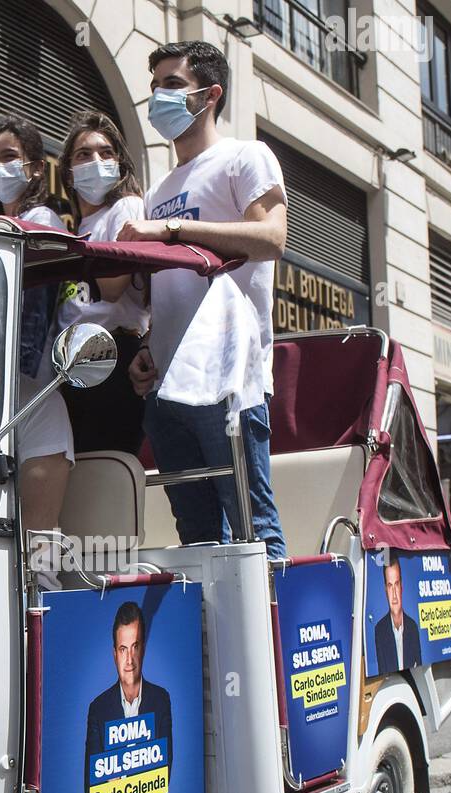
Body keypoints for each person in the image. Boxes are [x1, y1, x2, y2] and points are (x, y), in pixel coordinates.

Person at [119, 40, 287, 560]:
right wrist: (147, 345)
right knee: (197, 539)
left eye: (171, 85)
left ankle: (272, 640)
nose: (157, 99)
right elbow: (165, 290)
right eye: (154, 88)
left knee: (252, 531)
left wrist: (171, 229)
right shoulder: (159, 187)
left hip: (229, 383)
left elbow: (272, 238)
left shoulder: (245, 156)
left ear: (210, 94)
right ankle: (219, 642)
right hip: (167, 388)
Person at [0, 116, 74, 584]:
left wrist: (0, 375)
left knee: (35, 555)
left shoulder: (41, 223)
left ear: (36, 169)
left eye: (8, 157)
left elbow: (30, 319)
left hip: (26, 397)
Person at [55, 111, 149, 457]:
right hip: (70, 364)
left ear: (120, 164)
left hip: (110, 355)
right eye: (84, 154)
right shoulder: (76, 228)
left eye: (106, 153)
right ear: (68, 169)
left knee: (102, 466)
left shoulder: (126, 207)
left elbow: (111, 286)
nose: (96, 161)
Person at [84, 601, 173, 793]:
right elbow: (94, 783)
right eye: (123, 649)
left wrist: (120, 778)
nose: (129, 659)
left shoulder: (160, 700)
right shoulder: (98, 709)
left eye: (135, 647)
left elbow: (163, 770)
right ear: (114, 654)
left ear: (143, 648)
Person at [373, 551, 422, 673]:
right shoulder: (380, 630)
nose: (394, 594)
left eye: (396, 584)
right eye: (390, 586)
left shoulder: (412, 627)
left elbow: (420, 670)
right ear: (385, 590)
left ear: (402, 587)